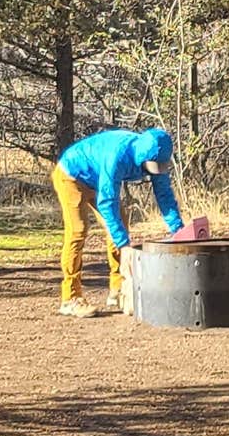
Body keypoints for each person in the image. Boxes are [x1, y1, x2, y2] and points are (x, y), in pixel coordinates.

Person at [51, 126, 182, 317]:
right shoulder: (118, 156)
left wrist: (178, 231)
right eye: (153, 165)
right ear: (143, 156)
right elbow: (107, 202)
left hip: (97, 179)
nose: (157, 170)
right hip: (71, 175)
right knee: (78, 230)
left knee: (120, 224)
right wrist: (124, 246)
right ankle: (70, 298)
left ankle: (118, 288)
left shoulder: (157, 155)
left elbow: (165, 195)